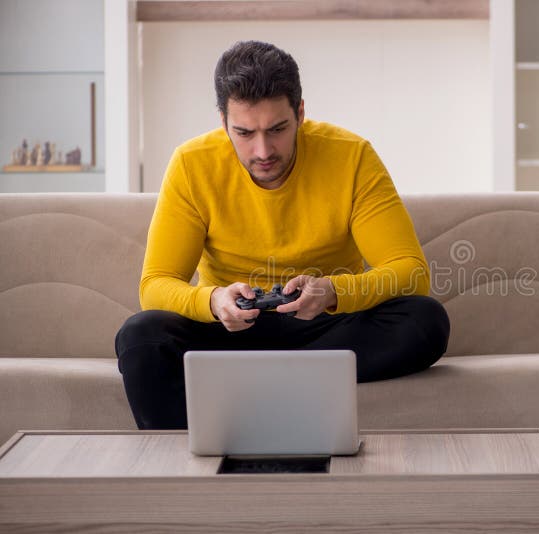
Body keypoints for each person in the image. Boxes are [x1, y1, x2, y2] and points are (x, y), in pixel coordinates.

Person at [115, 40, 450, 430]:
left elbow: (411, 272)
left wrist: (333, 292)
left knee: (426, 321)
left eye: (277, 129)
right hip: (229, 330)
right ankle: (189, 472)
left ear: (301, 113)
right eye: (243, 132)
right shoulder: (192, 164)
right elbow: (154, 285)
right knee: (140, 337)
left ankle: (253, 385)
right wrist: (213, 300)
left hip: (323, 328)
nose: (262, 150)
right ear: (223, 121)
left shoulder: (351, 156)